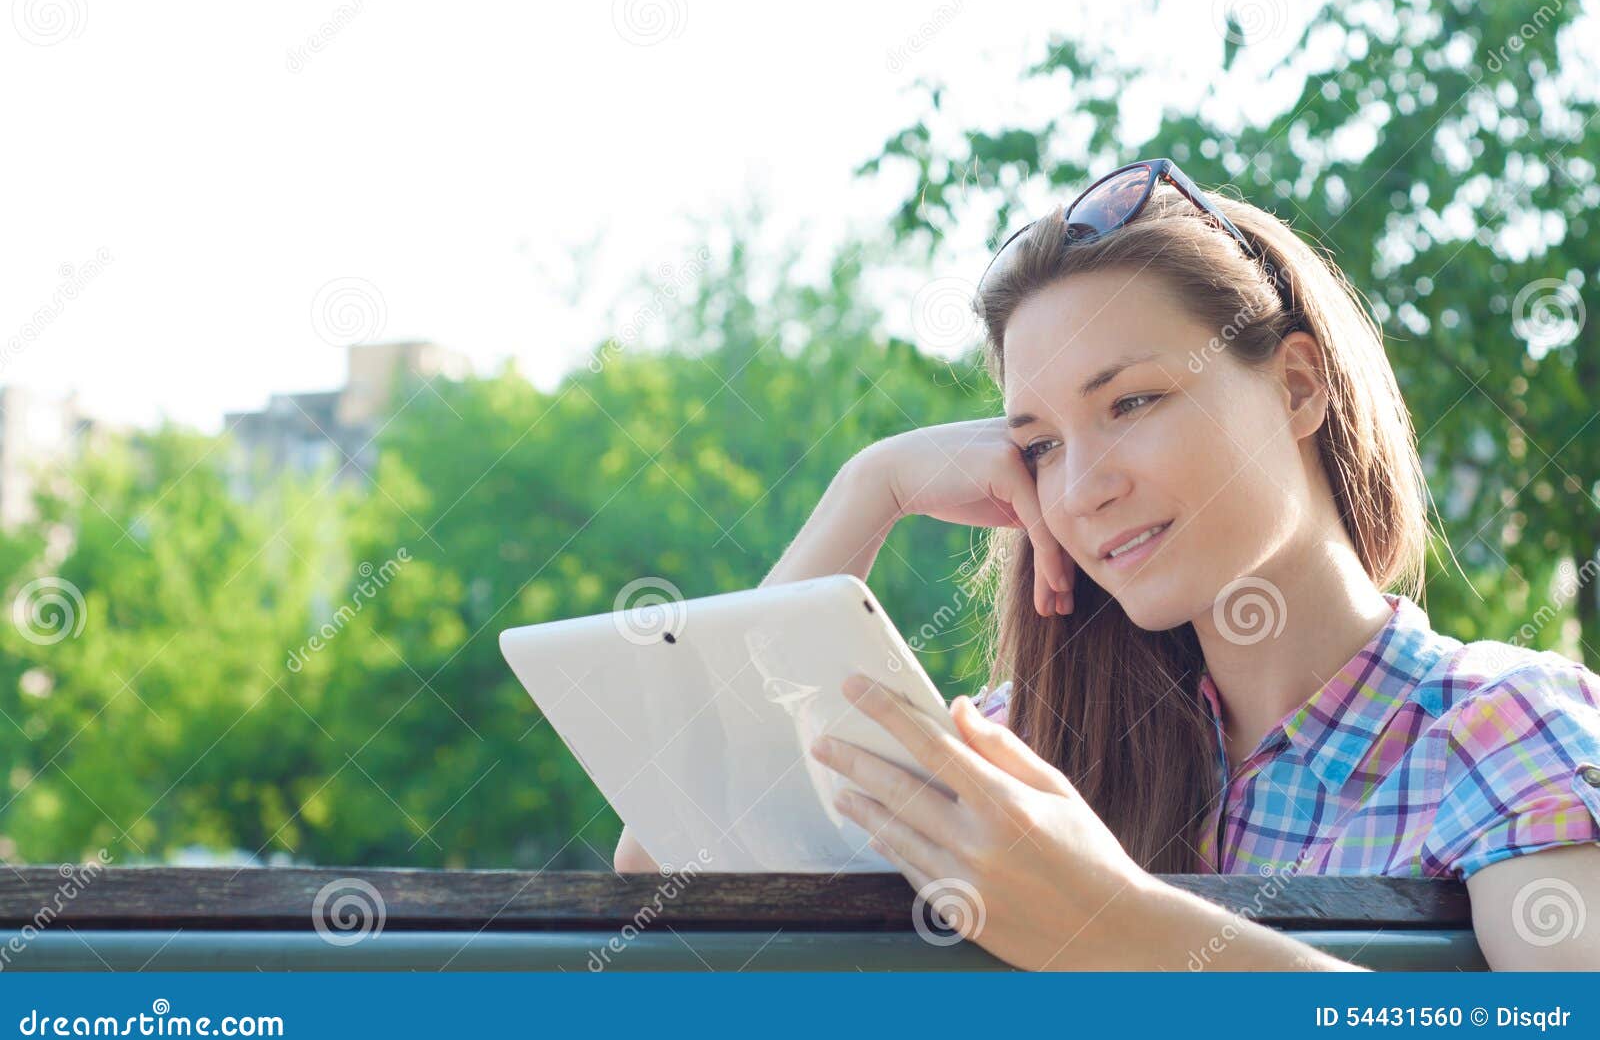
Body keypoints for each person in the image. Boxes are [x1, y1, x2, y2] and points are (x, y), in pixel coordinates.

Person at [616, 159, 1600, 971]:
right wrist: (868, 488)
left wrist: (1116, 928)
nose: (1079, 487)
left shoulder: (1492, 731)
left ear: (1298, 386)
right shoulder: (1026, 746)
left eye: (1130, 402)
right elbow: (663, 856)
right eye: (1038, 443)